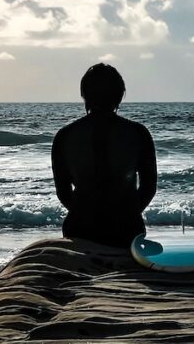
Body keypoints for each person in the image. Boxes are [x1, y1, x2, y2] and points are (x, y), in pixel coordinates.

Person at [52, 63, 157, 248]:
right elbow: (149, 188)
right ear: (119, 95)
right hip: (126, 230)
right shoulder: (138, 133)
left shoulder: (65, 136)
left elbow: (63, 192)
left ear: (84, 94)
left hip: (80, 228)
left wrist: (86, 213)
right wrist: (128, 213)